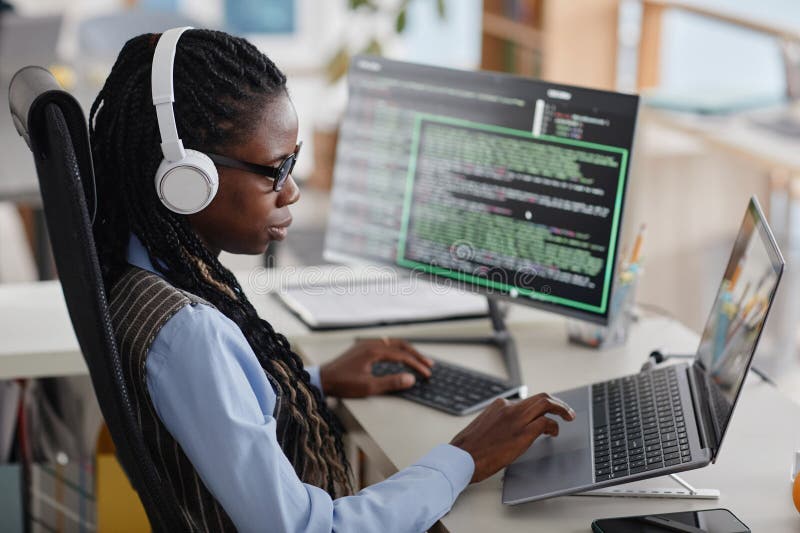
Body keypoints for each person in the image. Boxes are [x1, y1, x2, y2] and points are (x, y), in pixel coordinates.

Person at [90, 28, 575, 533]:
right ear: (187, 179)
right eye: (276, 170)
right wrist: (464, 458)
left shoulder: (139, 269)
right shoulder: (190, 334)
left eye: (294, 163)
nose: (292, 192)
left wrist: (310, 384)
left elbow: (216, 411)